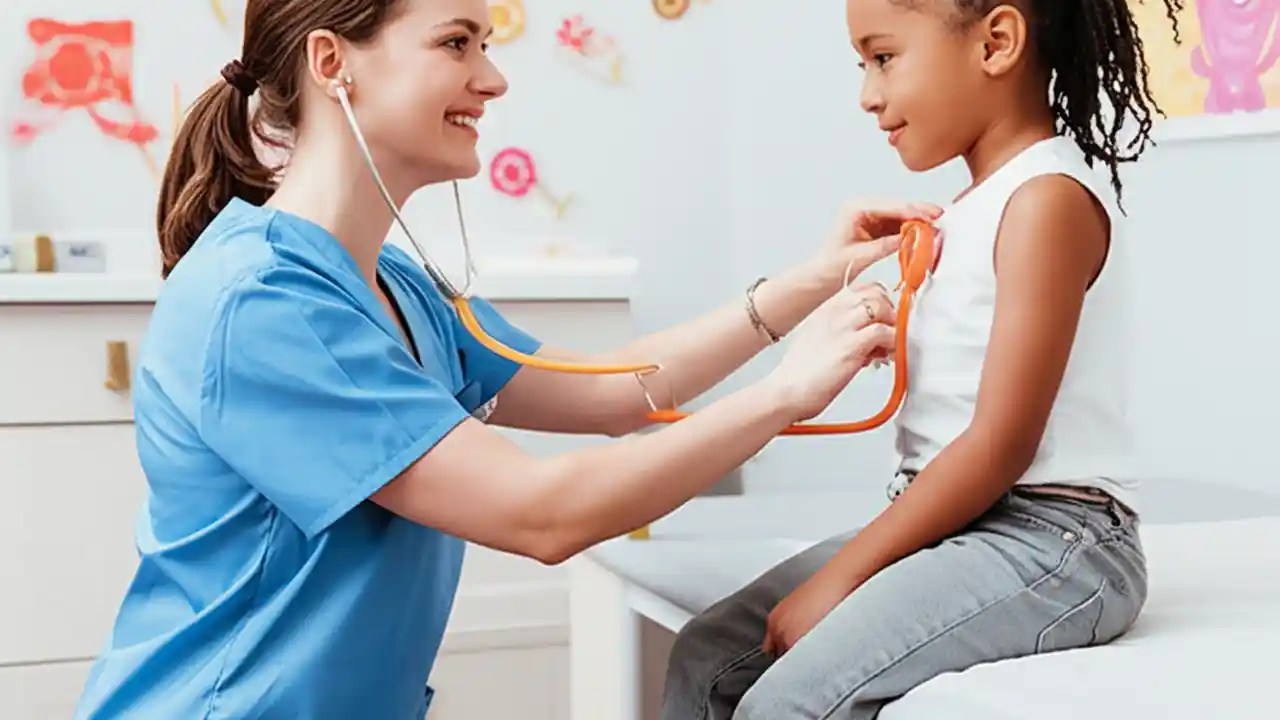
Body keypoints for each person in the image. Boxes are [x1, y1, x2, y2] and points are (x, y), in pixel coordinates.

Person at [71, 1, 941, 718]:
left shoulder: (394, 285)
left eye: (485, 44)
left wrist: (804, 287)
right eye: (457, 43)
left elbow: (619, 391)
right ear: (333, 61)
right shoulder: (261, 304)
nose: (492, 78)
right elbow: (541, 515)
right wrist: (787, 392)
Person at [659, 0, 1181, 718]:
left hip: (1055, 542)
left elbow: (1000, 445)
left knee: (787, 703)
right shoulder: (968, 210)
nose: (868, 95)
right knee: (707, 656)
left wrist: (842, 576)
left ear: (996, 43)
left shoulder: (1045, 202)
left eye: (884, 58)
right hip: (971, 525)